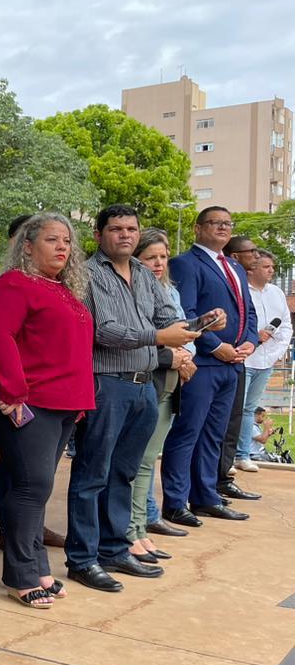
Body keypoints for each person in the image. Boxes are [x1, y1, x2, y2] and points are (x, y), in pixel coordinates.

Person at [64, 205, 199, 592]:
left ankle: (114, 548)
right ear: (99, 235)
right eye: (117, 229)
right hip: (108, 383)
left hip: (144, 385)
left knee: (123, 472)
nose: (125, 235)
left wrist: (200, 323)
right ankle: (83, 559)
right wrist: (160, 338)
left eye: (131, 229)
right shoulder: (88, 274)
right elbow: (104, 330)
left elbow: (162, 319)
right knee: (93, 474)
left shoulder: (142, 273)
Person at [0, 213, 94, 608]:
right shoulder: (14, 284)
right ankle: (21, 574)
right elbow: (0, 336)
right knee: (30, 489)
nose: (63, 247)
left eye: (66, 240)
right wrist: (13, 390)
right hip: (31, 402)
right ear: (27, 246)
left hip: (65, 403)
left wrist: (80, 401)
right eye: (52, 240)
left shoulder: (63, 289)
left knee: (37, 489)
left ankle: (37, 567)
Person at [161, 207, 257, 527]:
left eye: (228, 224)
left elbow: (249, 313)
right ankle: (175, 502)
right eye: (215, 223)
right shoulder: (185, 264)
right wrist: (216, 347)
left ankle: (205, 497)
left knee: (214, 435)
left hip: (233, 365)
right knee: (188, 432)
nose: (223, 228)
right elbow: (184, 315)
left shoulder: (235, 266)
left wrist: (249, 343)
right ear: (197, 228)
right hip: (202, 363)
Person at [125, 229, 197, 556]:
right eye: (149, 257)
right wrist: (173, 355)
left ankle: (140, 527)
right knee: (135, 461)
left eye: (163, 257)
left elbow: (182, 333)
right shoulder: (133, 291)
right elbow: (143, 339)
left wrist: (186, 354)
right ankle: (129, 530)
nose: (157, 263)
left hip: (171, 380)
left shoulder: (169, 290)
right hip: (148, 378)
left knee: (148, 460)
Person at [214, 235, 264, 501]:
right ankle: (205, 484)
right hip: (215, 359)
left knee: (232, 423)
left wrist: (250, 341)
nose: (256, 256)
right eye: (251, 252)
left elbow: (250, 317)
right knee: (213, 429)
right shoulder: (221, 277)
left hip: (239, 360)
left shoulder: (239, 278)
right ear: (235, 256)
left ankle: (222, 479)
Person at [236, 249, 292, 472]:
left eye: (272, 267)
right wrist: (253, 338)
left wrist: (275, 352)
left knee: (249, 409)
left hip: (266, 361)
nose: (272, 271)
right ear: (252, 269)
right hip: (243, 359)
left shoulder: (276, 293)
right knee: (235, 409)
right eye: (266, 267)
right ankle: (229, 455)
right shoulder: (241, 291)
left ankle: (243, 455)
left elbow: (285, 325)